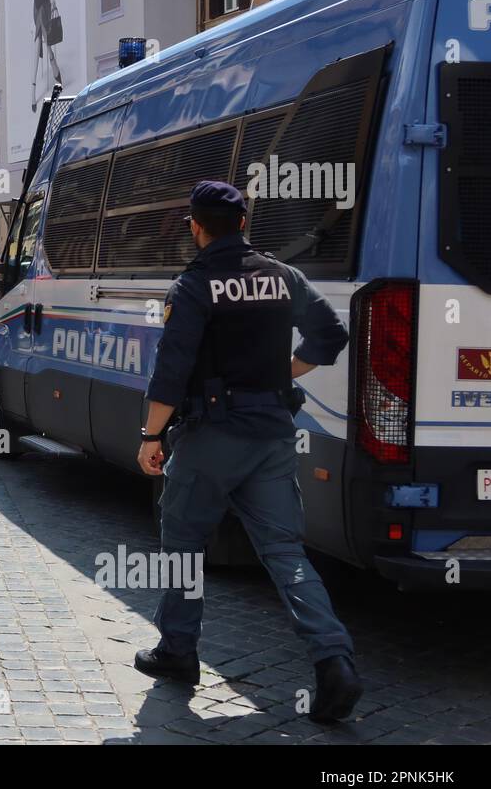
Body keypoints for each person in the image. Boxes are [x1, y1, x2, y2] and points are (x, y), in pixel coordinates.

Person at [134, 180, 359, 722]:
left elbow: (173, 368)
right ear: (243, 224)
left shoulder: (195, 284)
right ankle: (335, 662)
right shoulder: (284, 277)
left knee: (184, 541)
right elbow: (329, 335)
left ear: (196, 226)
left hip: (212, 435)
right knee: (285, 553)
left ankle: (179, 651)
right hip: (274, 431)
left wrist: (150, 437)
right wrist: (282, 372)